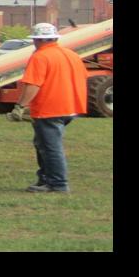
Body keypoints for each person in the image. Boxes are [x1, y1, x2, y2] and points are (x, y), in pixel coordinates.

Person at [14, 22, 89, 193]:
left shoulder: (40, 56)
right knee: (43, 143)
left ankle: (58, 184)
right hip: (71, 106)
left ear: (37, 40)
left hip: (49, 109)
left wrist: (20, 106)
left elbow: (33, 84)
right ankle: (45, 179)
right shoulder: (71, 54)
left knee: (50, 147)